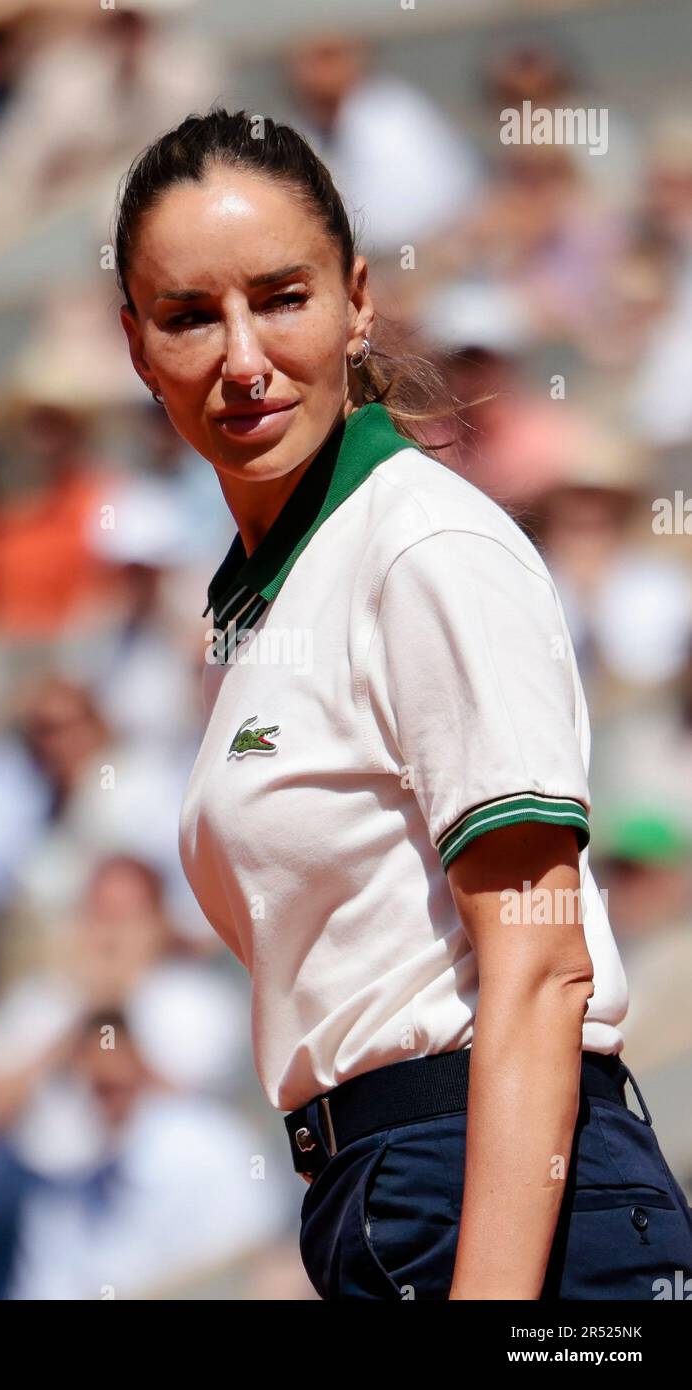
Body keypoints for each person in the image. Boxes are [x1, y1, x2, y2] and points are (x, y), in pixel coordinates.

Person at [114, 107, 692, 1301]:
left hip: (500, 1196)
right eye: (187, 316)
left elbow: (540, 966)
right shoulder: (280, 596)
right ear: (134, 345)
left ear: (357, 301)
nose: (240, 356)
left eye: (281, 296)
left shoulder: (421, 543)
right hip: (388, 1197)